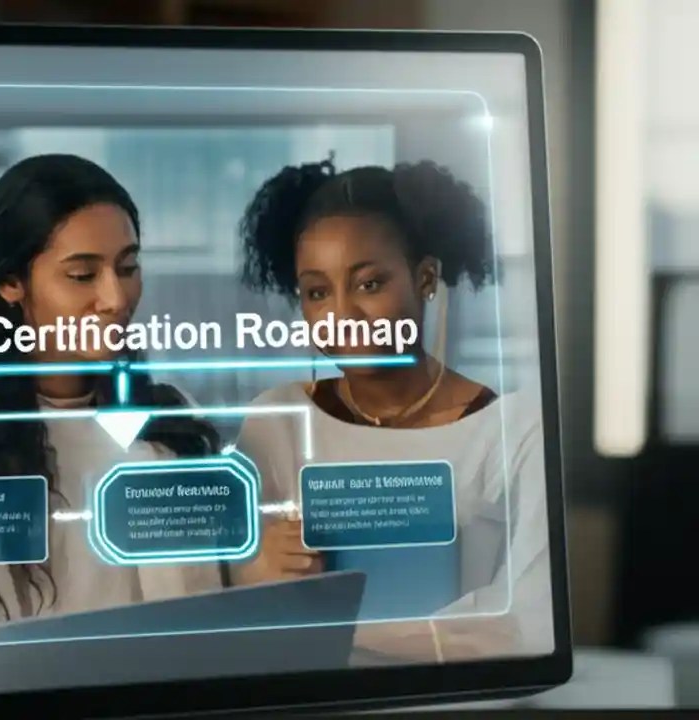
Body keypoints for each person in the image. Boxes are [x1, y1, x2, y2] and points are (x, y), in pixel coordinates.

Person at [0, 153, 222, 639]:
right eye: (82, 275)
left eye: (128, 267)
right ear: (10, 282)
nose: (117, 299)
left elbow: (207, 611)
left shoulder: (169, 414)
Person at [230, 158, 553, 663]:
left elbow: (529, 622)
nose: (342, 314)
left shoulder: (513, 430)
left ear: (425, 277)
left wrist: (335, 629)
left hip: (459, 698)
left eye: (369, 284)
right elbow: (229, 613)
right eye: (317, 292)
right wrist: (251, 573)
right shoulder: (277, 422)